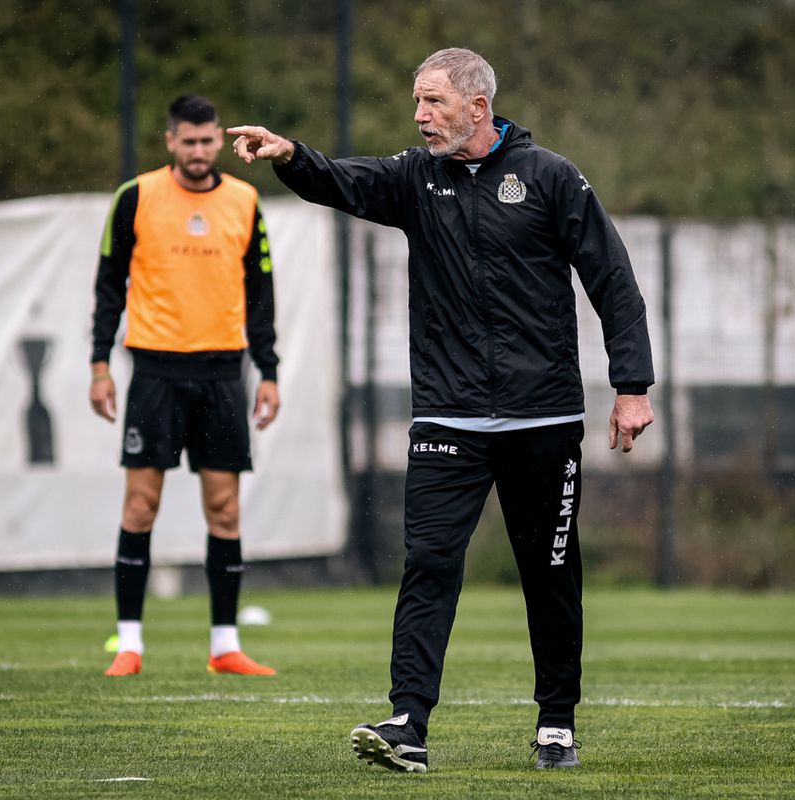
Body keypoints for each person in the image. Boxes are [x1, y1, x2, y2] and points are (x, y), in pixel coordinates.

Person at [229, 48, 654, 771]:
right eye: (417, 103)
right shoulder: (414, 179)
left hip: (542, 419)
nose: (420, 117)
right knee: (427, 562)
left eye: (433, 103)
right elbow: (342, 181)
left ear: (477, 108)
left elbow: (611, 279)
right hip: (448, 417)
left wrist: (632, 386)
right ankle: (408, 724)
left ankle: (556, 721)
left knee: (549, 572)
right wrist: (290, 156)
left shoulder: (549, 176)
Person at [90, 94, 280, 678]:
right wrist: (99, 364)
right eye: (188, 141)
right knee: (141, 505)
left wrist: (268, 370)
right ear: (170, 141)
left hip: (224, 373)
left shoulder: (245, 201)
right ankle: (130, 644)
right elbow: (107, 288)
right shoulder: (136, 197)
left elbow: (261, 294)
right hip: (155, 372)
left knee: (224, 510)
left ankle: (225, 646)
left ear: (219, 139)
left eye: (207, 140)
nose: (199, 151)